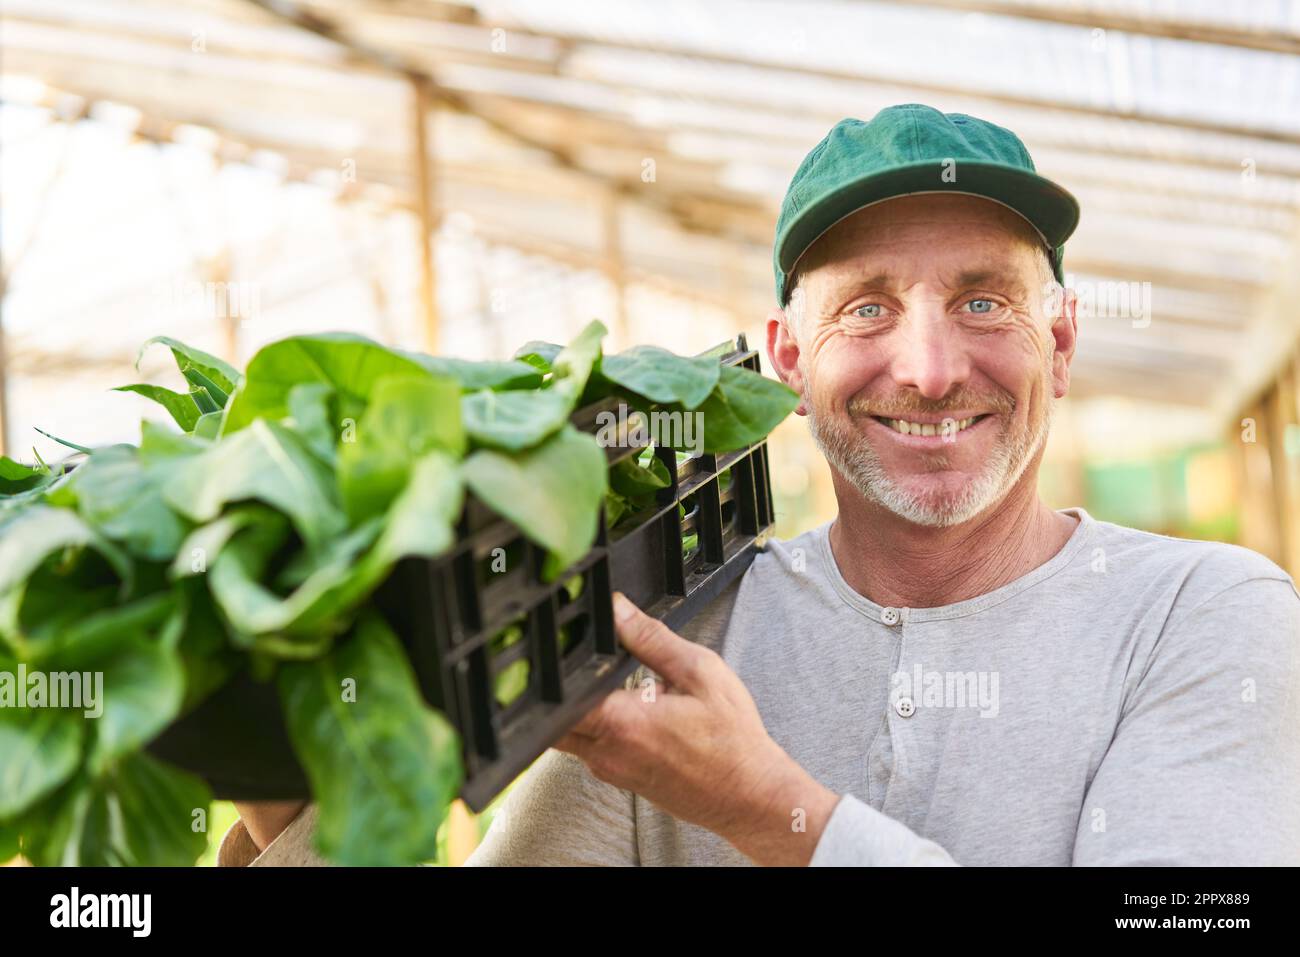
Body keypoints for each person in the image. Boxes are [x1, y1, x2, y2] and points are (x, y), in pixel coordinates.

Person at [223, 104, 1300, 867]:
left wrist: (765, 808)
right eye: (866, 308)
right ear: (788, 360)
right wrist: (287, 783)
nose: (927, 368)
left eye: (982, 302)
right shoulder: (689, 628)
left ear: (1059, 342)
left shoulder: (1203, 616)